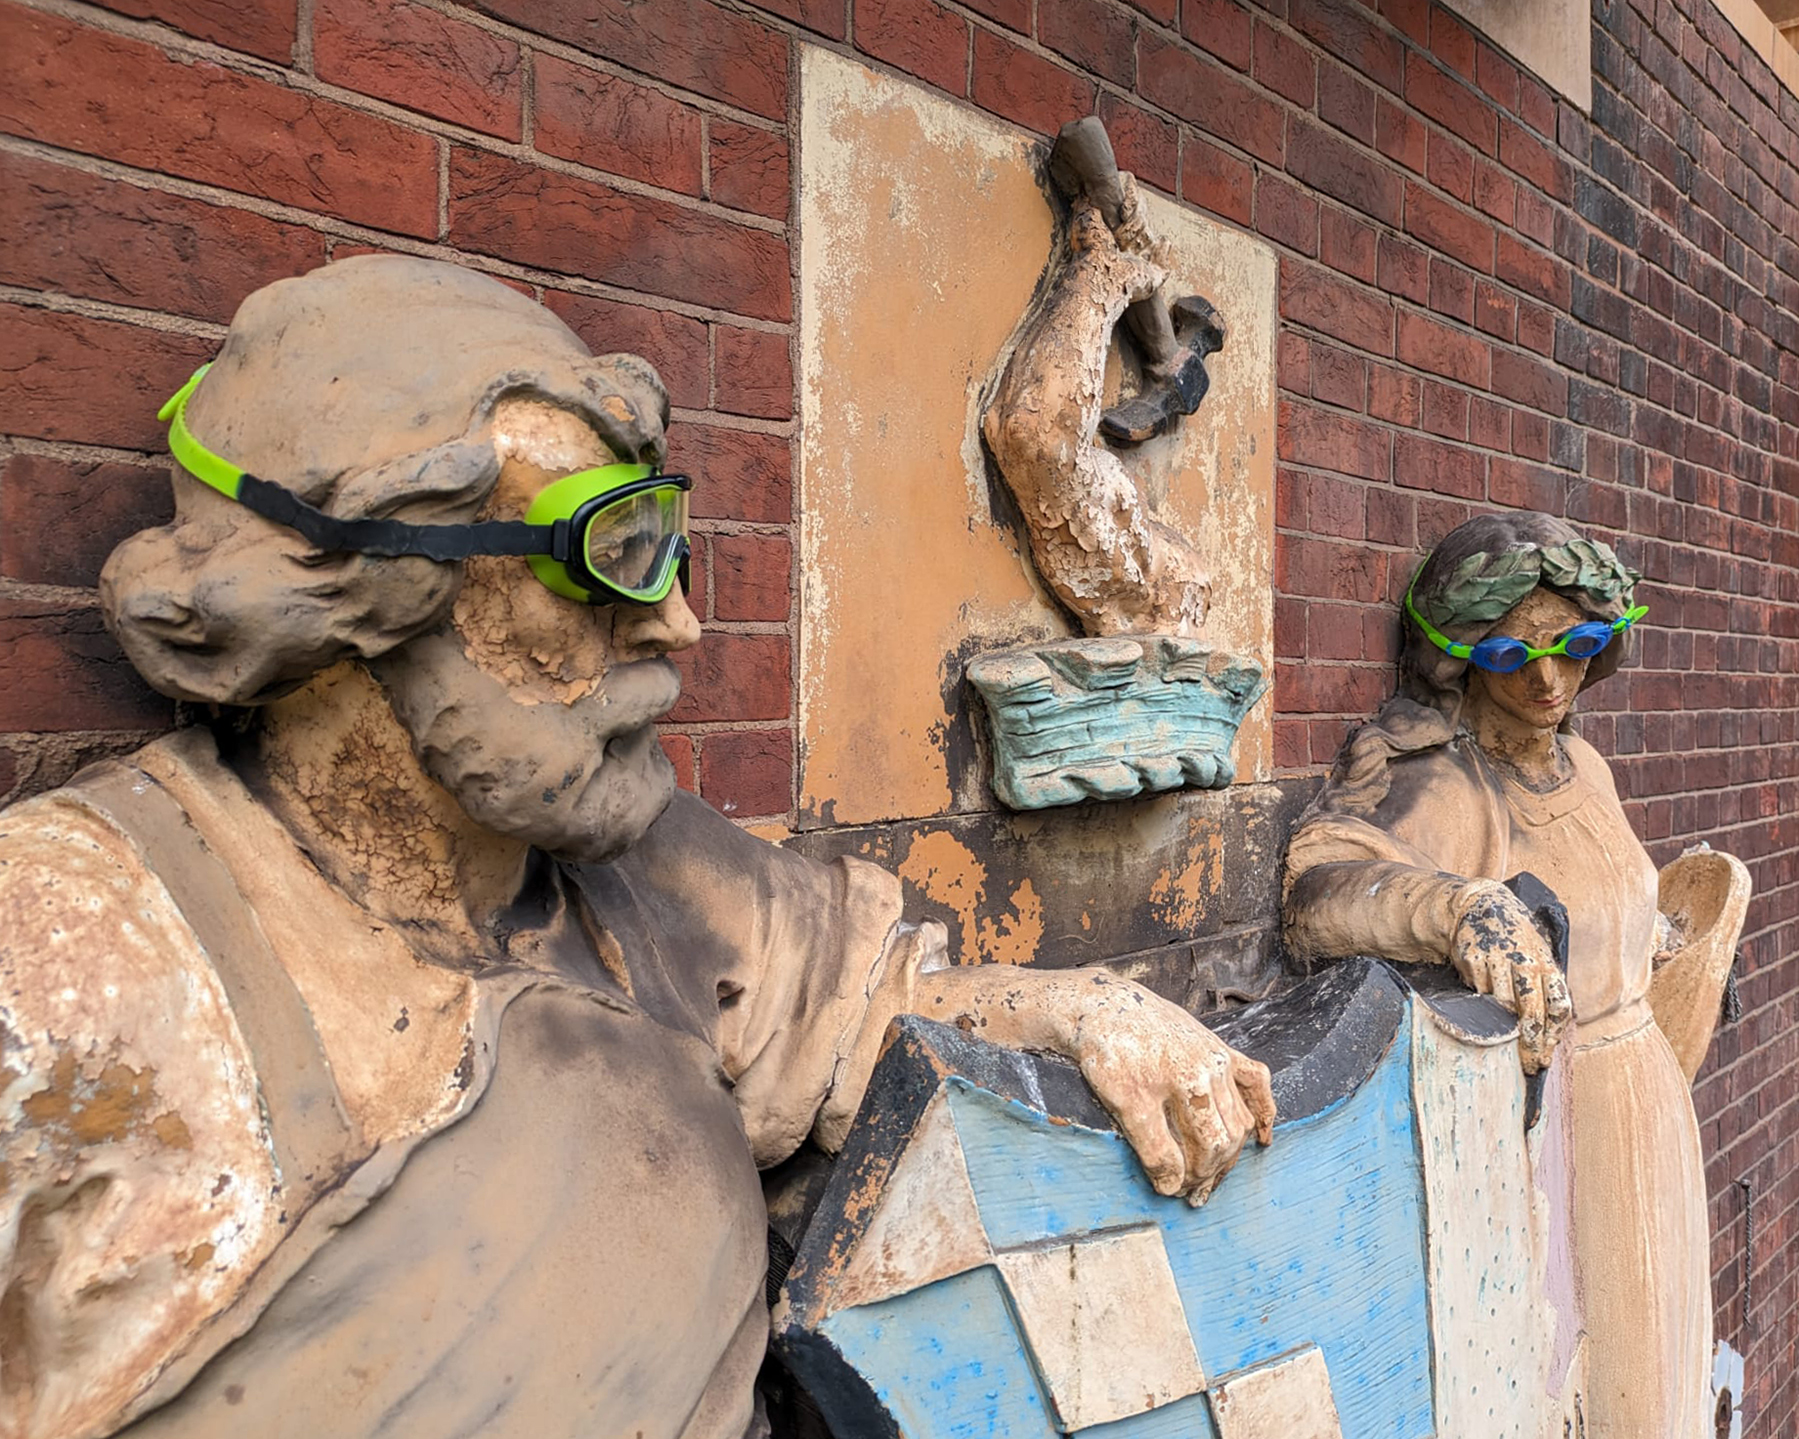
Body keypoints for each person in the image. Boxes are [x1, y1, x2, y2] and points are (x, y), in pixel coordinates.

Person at [0, 256, 1275, 1439]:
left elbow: (863, 1005)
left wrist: (1080, 1007)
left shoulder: (645, 866)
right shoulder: (65, 955)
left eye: (664, 545)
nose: (676, 624)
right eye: (603, 555)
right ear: (351, 587)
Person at [1283, 511, 1717, 1437]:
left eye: (1575, 647)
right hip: (1564, 1127)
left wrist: (1659, 937)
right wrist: (1453, 905)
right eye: (1514, 655)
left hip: (1648, 1106)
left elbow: (1606, 904)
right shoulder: (1453, 786)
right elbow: (1319, 893)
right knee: (1606, 1384)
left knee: (1667, 1370)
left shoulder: (1585, 765)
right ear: (1461, 659)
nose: (1547, 680)